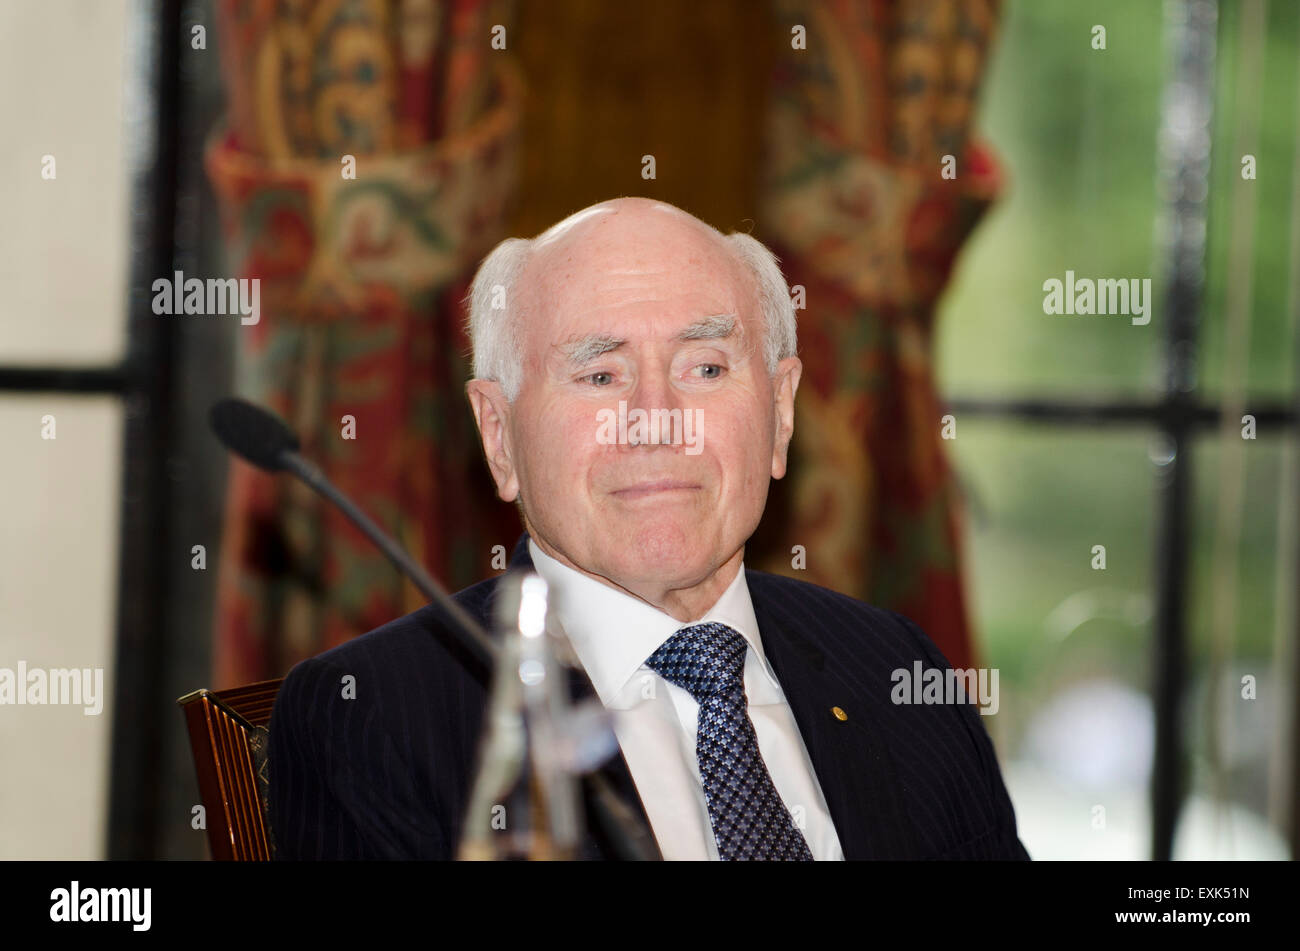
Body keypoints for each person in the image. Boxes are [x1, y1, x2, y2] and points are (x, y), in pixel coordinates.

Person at [268, 196, 1030, 860]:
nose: (658, 421)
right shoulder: (373, 714)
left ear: (781, 414)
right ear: (499, 436)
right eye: (601, 376)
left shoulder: (896, 668)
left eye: (705, 369)